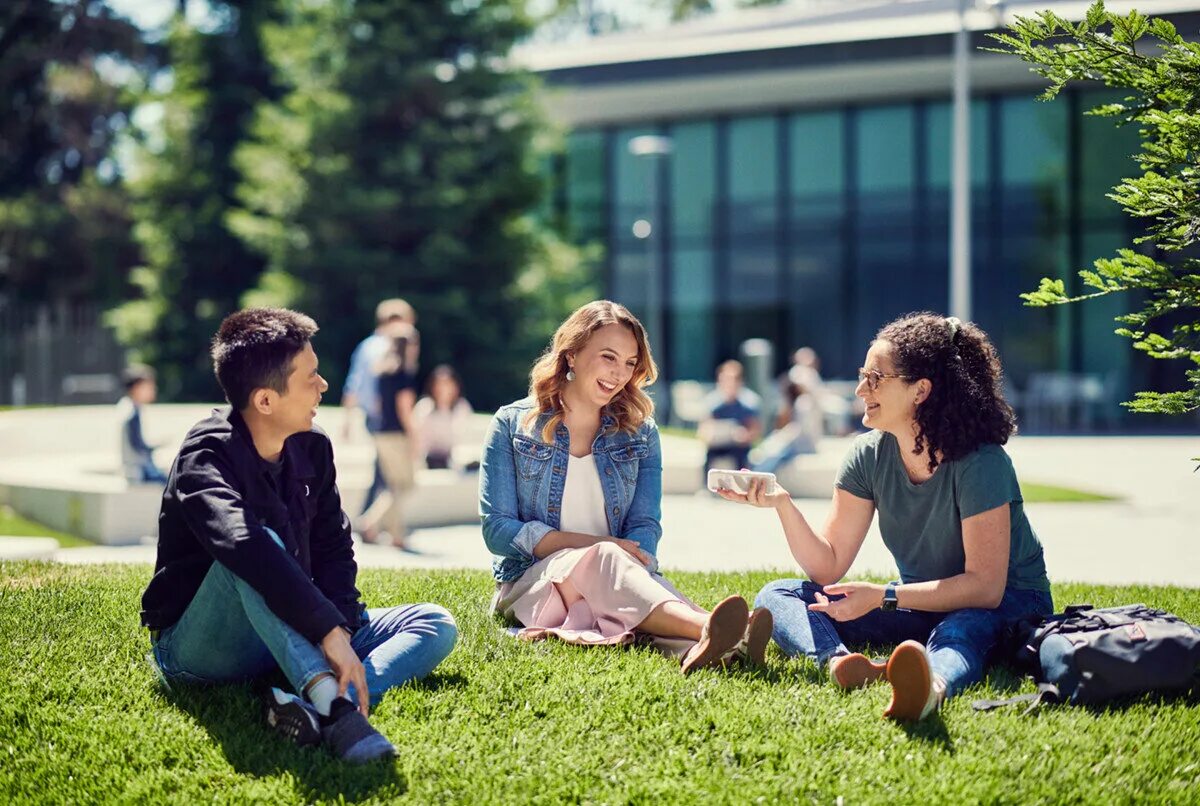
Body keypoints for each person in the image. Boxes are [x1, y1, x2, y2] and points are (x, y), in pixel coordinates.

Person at [140, 308, 457, 763]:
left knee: (434, 622)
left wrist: (342, 624)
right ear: (266, 400)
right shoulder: (206, 454)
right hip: (199, 647)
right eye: (311, 376)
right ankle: (338, 710)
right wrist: (326, 631)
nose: (323, 386)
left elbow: (333, 543)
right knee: (256, 546)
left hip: (290, 625)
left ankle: (311, 699)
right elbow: (242, 543)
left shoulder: (313, 444)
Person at [717, 312, 1052, 721]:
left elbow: (985, 589)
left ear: (920, 390)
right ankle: (840, 665)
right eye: (863, 375)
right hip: (921, 599)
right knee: (781, 594)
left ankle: (930, 688)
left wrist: (885, 596)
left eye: (876, 378)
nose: (861, 389)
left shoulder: (980, 462)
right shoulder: (868, 454)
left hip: (1010, 601)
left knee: (961, 628)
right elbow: (827, 566)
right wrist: (783, 505)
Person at [479, 300, 772, 674]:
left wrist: (632, 557)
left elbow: (645, 526)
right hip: (534, 584)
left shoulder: (641, 432)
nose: (619, 374)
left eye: (630, 363)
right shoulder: (512, 424)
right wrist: (600, 547)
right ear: (572, 355)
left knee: (619, 580)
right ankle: (708, 626)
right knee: (606, 560)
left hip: (616, 576)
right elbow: (498, 530)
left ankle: (726, 650)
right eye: (608, 357)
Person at [341, 298, 416, 514]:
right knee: (390, 476)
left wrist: (348, 420)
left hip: (373, 418)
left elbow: (352, 386)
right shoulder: (388, 348)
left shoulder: (365, 346)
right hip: (387, 420)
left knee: (382, 472)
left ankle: (374, 521)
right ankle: (370, 521)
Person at [357, 321, 420, 549]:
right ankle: (370, 522)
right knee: (405, 485)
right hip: (397, 435)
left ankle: (396, 535)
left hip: (380, 432)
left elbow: (376, 403)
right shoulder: (404, 374)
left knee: (394, 485)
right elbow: (405, 411)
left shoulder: (382, 371)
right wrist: (415, 439)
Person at [699, 360, 762, 482]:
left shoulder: (749, 403)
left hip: (740, 446)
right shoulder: (712, 402)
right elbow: (704, 429)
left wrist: (743, 435)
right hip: (718, 445)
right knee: (708, 455)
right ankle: (706, 487)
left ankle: (743, 486)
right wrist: (711, 435)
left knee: (743, 456)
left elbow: (755, 431)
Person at [413, 365, 474, 470]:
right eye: (439, 385)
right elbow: (419, 439)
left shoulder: (462, 407)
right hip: (428, 460)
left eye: (447, 384)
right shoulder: (424, 407)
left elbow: (461, 437)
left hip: (453, 460)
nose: (443, 389)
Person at [117, 364, 167, 484]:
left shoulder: (127, 406)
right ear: (137, 388)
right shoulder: (132, 412)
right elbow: (137, 445)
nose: (154, 389)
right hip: (137, 471)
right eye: (149, 386)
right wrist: (155, 446)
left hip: (134, 469)